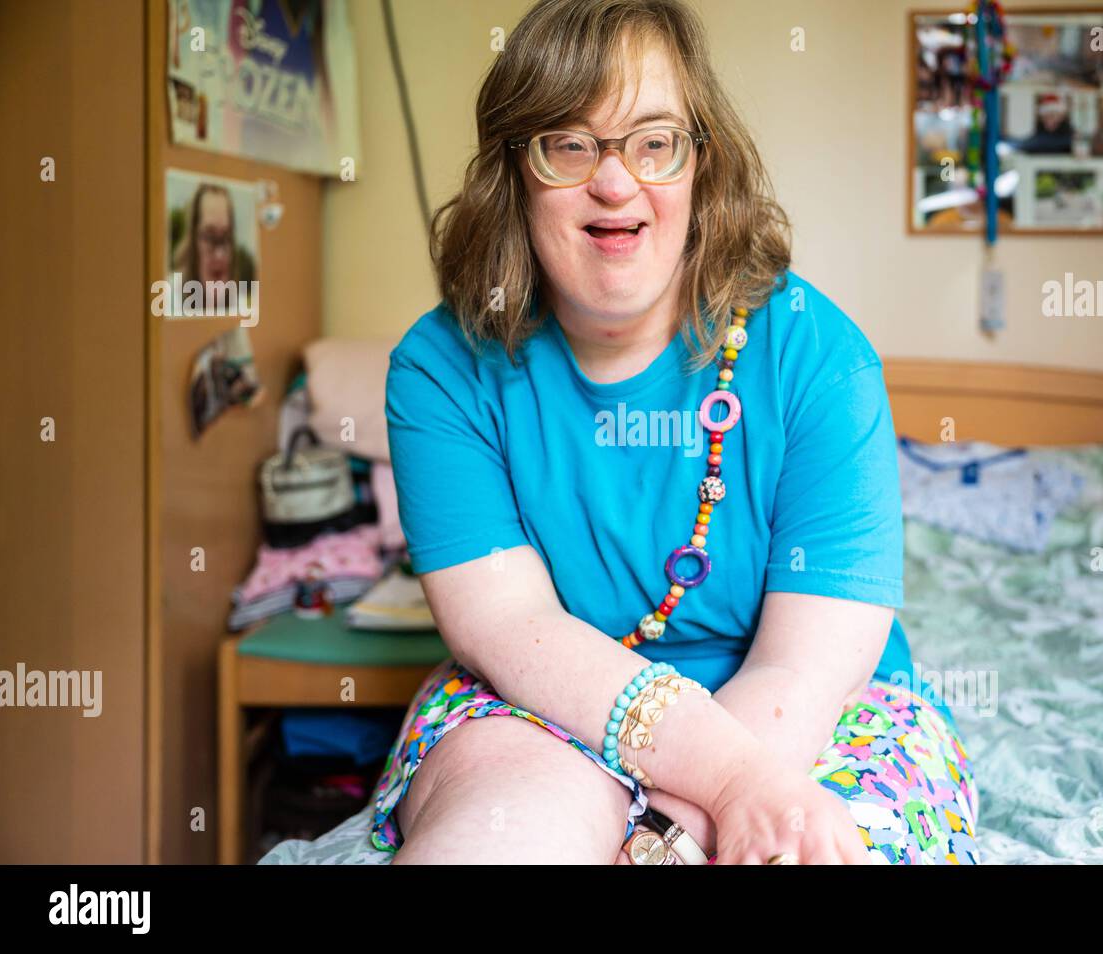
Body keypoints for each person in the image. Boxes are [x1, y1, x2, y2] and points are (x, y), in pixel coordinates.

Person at [372, 0, 979, 866]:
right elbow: (509, 627)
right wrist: (703, 796)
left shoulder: (821, 359)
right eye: (568, 144)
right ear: (514, 172)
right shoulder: (439, 369)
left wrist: (678, 829)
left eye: (653, 142)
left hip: (807, 708)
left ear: (703, 163)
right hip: (543, 698)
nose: (615, 184)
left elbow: (803, 671)